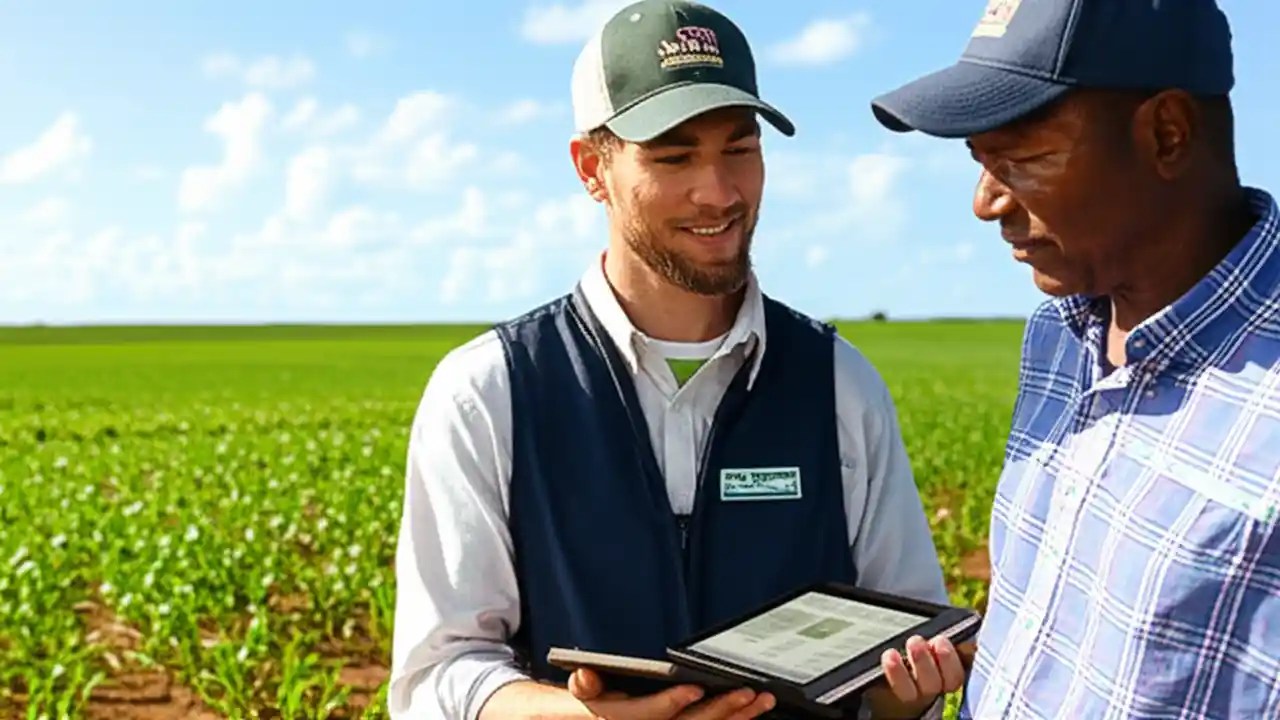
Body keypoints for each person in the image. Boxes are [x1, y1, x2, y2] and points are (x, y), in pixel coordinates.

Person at [387, 1, 970, 718]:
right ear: (591, 168)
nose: (718, 193)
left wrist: (906, 695)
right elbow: (439, 675)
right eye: (673, 156)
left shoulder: (839, 384)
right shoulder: (488, 392)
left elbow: (901, 643)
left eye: (740, 148)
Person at [867, 0, 1280, 718]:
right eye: (980, 162)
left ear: (1167, 134)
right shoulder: (1058, 339)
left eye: (1021, 159)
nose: (984, 202)